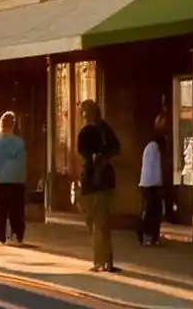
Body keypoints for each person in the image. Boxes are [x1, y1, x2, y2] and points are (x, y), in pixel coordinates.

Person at [77, 99, 121, 273]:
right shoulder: (105, 129)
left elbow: (82, 153)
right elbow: (116, 148)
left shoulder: (87, 131)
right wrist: (104, 156)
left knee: (94, 223)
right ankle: (107, 261)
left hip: (91, 182)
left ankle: (99, 261)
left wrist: (94, 157)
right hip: (106, 181)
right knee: (103, 223)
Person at [0, 111, 27, 244]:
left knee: (1, 210)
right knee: (17, 210)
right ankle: (17, 235)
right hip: (18, 180)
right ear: (13, 125)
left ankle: (0, 236)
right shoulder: (20, 143)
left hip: (2, 181)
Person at [137, 113, 168, 246]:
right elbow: (155, 167)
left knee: (154, 211)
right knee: (152, 211)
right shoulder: (155, 146)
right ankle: (146, 233)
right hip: (151, 184)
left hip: (150, 183)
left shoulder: (152, 146)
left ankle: (152, 236)